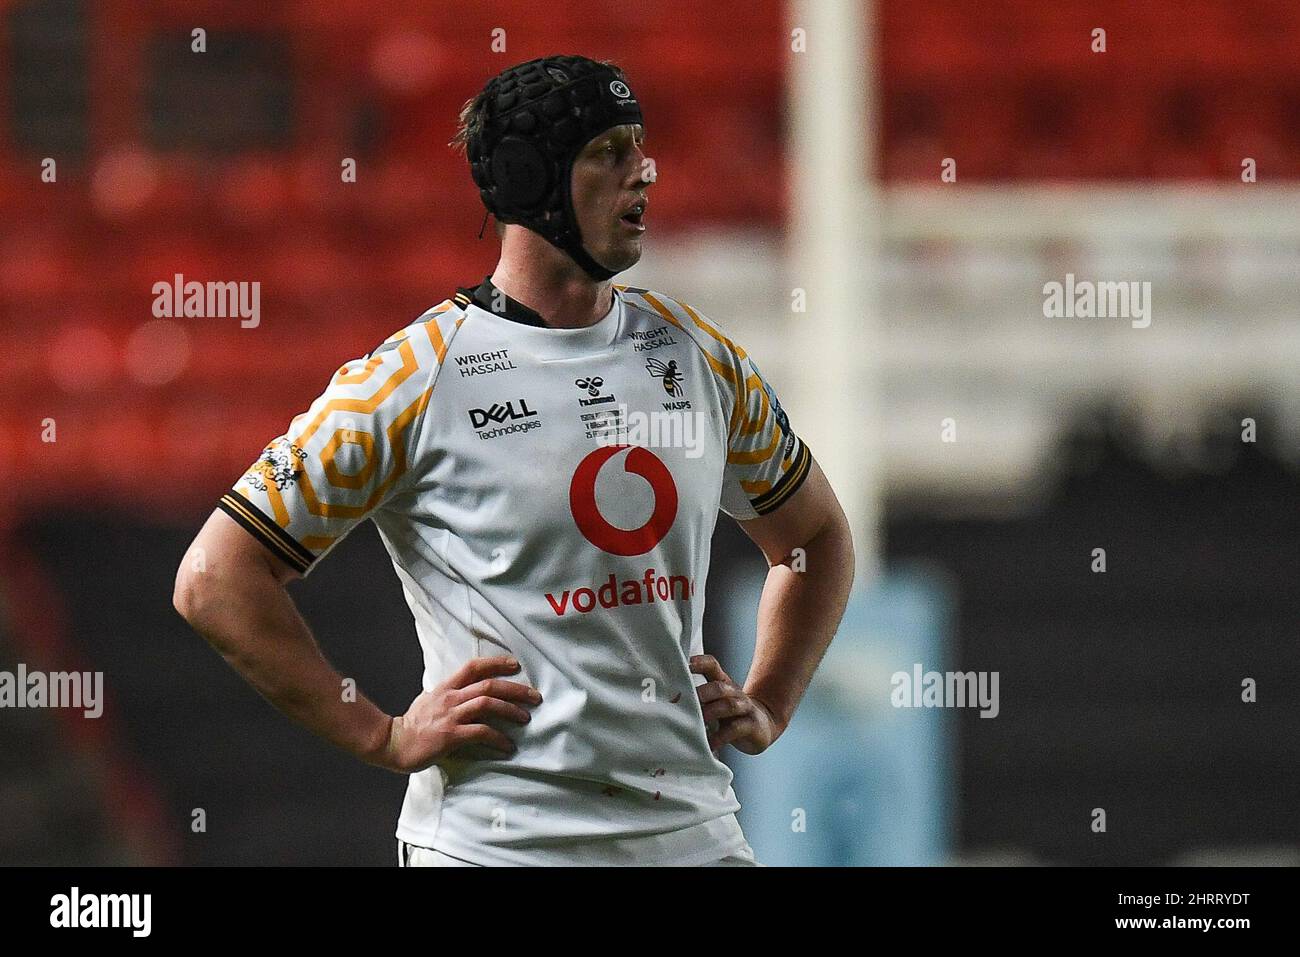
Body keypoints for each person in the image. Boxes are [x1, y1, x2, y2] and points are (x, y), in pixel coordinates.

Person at [173, 54, 855, 866]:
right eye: (609, 151)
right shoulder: (412, 380)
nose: (647, 171)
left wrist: (771, 698)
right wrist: (383, 734)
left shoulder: (698, 356)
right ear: (531, 178)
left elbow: (816, 538)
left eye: (641, 146)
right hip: (497, 847)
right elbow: (215, 579)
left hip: (692, 837)